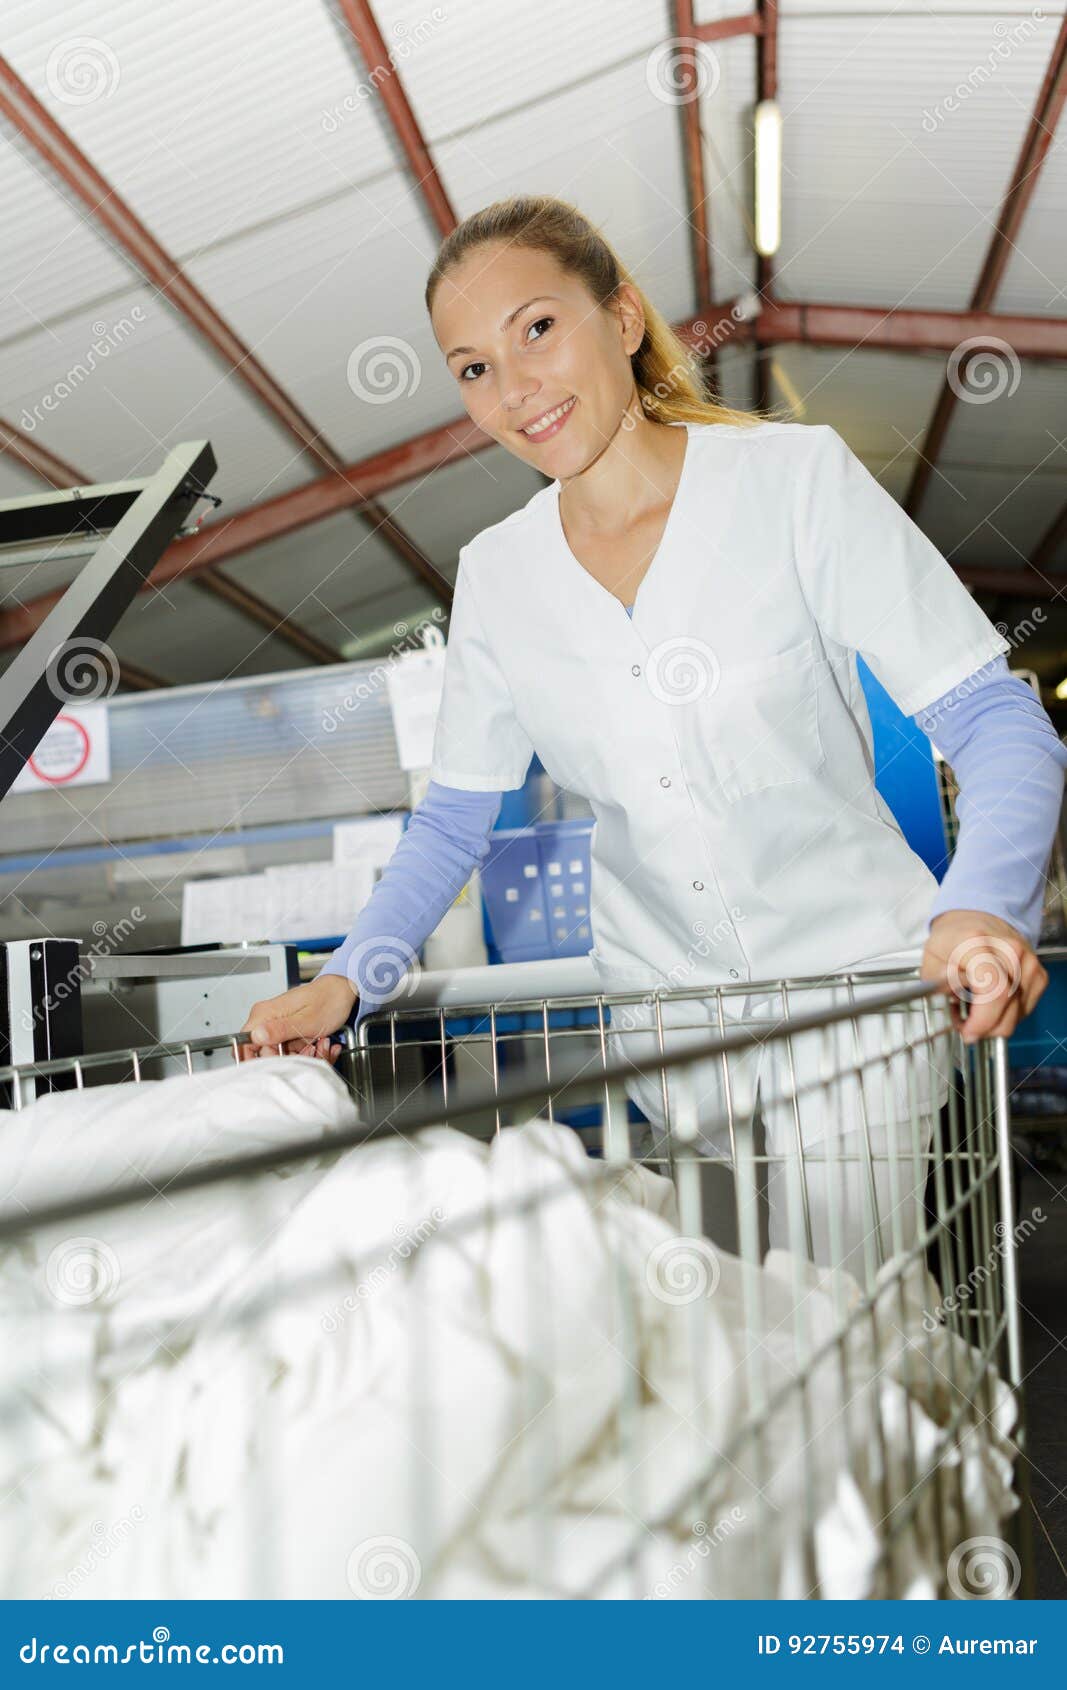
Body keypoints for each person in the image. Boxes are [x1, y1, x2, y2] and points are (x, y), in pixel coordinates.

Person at [239, 196, 1065, 1273]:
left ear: (622, 318)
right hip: (671, 1036)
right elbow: (453, 820)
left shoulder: (789, 483)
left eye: (536, 328)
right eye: (472, 366)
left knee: (852, 1341)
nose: (514, 387)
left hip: (854, 999)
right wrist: (347, 977)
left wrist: (977, 906)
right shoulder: (498, 573)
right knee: (722, 1346)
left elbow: (995, 718)